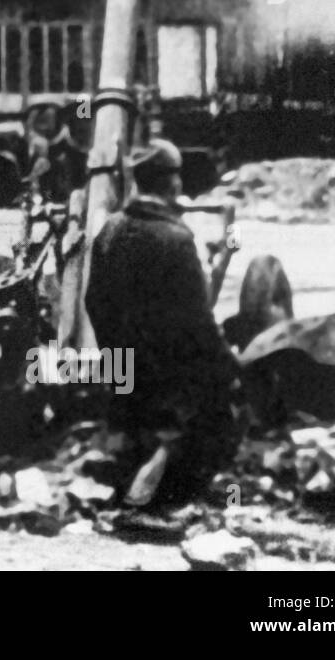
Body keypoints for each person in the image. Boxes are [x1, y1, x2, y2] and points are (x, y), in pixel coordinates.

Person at [83, 138, 243, 508]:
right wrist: (228, 367)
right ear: (173, 183)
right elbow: (199, 324)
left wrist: (116, 357)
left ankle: (135, 457)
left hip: (124, 377)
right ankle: (171, 483)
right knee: (226, 411)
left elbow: (94, 301)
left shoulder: (111, 229)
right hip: (169, 381)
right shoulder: (176, 239)